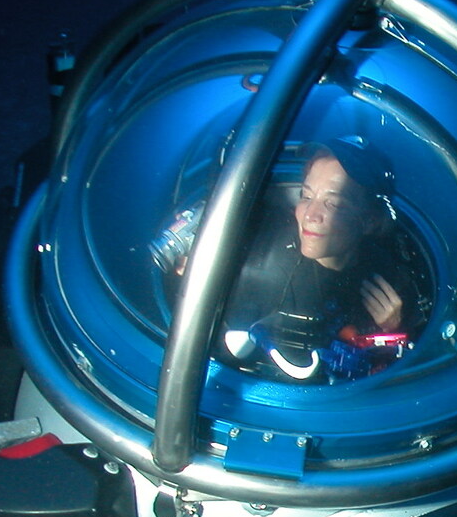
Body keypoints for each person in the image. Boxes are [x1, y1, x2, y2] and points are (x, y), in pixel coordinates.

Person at [152, 137, 430, 383]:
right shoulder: (258, 257)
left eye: (333, 203)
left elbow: (416, 357)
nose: (310, 214)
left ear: (370, 220)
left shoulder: (386, 271)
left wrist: (394, 329)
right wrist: (198, 275)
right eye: (306, 195)